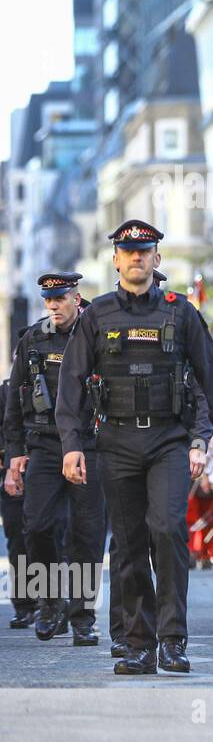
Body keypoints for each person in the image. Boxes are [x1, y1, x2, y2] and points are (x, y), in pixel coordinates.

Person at [55, 220, 213, 675]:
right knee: (130, 543)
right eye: (128, 251)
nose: (137, 258)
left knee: (168, 529)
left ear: (157, 259)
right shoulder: (96, 315)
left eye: (145, 251)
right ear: (116, 259)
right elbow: (70, 386)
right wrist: (71, 446)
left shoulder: (181, 312)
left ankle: (172, 640)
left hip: (168, 442)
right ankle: (137, 643)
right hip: (115, 443)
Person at [5, 273, 108, 645]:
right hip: (45, 447)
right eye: (48, 300)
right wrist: (15, 453)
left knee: (87, 533)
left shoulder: (96, 337)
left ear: (76, 299)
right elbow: (16, 400)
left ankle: (82, 615)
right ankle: (49, 602)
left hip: (88, 445)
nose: (53, 306)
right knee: (37, 526)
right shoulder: (33, 339)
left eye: (60, 299)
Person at [1, 379, 39, 629]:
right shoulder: (5, 391)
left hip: (50, 468)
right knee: (18, 540)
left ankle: (56, 603)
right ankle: (25, 605)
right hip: (15, 473)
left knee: (55, 535)